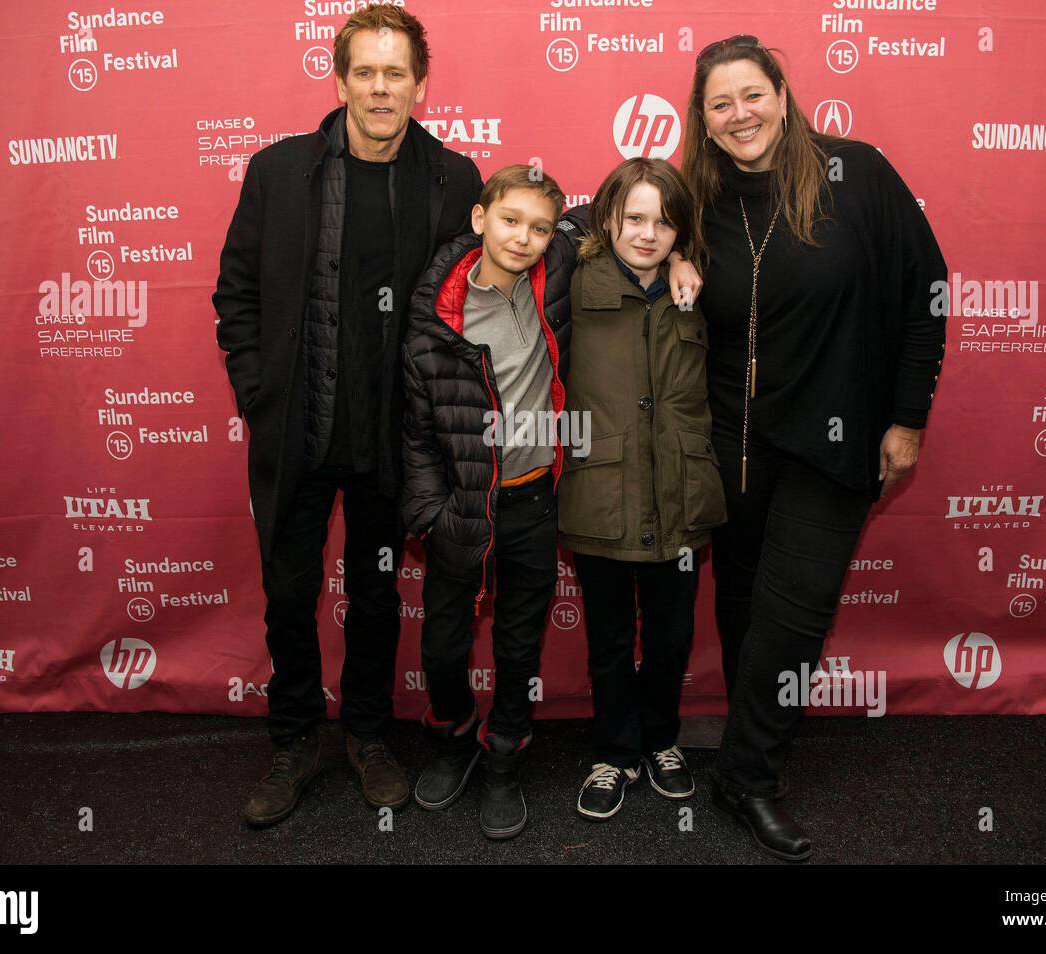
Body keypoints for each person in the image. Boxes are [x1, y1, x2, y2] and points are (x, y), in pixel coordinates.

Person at [212, 6, 483, 827]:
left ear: (420, 84)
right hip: (297, 433)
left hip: (393, 442)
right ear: (338, 80)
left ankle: (368, 736)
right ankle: (293, 742)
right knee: (289, 596)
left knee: (373, 596)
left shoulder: (454, 180)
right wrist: (259, 391)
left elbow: (498, 277)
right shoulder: (278, 171)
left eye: (394, 72)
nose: (378, 88)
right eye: (363, 71)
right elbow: (238, 295)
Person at [681, 35, 947, 861]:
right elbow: (611, 228)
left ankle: (747, 776)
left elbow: (926, 291)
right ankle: (754, 741)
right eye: (720, 103)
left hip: (832, 442)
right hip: (728, 443)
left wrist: (906, 419)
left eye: (751, 95)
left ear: (783, 93)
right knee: (742, 607)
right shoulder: (693, 196)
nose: (739, 115)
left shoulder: (856, 174)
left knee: (792, 616)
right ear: (704, 118)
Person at [400, 165, 576, 839]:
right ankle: (454, 740)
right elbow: (416, 433)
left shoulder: (555, 269)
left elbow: (616, 222)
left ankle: (503, 758)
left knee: (519, 646)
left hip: (533, 502)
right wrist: (432, 517)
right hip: (464, 510)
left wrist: (675, 254)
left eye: (539, 226)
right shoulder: (433, 319)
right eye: (510, 220)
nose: (523, 237)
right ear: (479, 218)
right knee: (443, 649)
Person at [558, 158, 725, 821]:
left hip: (680, 497)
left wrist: (685, 255)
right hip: (601, 494)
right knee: (606, 638)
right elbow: (544, 222)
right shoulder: (573, 278)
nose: (648, 233)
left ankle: (660, 740)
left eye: (665, 223)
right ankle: (613, 751)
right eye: (633, 218)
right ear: (608, 218)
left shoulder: (701, 287)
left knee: (671, 636)